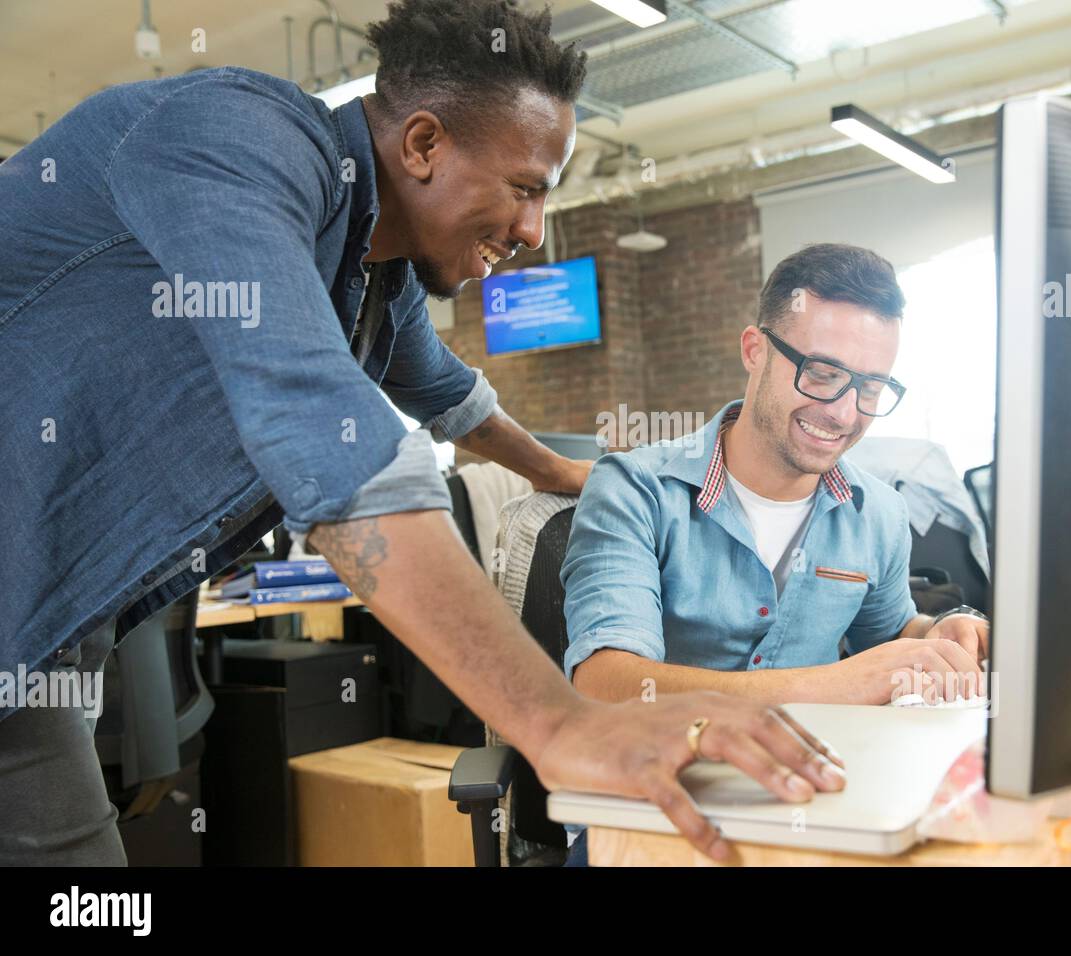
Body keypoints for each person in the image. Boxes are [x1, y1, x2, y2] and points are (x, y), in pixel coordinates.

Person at [0, 0, 843, 866]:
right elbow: (318, 425)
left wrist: (565, 471)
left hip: (45, 628)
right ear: (424, 145)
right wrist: (558, 725)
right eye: (525, 188)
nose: (532, 230)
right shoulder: (233, 138)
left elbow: (449, 396)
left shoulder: (376, 273)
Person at [562, 244, 989, 706]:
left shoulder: (880, 512)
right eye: (823, 373)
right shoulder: (635, 489)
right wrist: (831, 686)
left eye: (871, 388)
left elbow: (886, 636)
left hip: (833, 773)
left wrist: (936, 636)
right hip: (673, 770)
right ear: (755, 351)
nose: (845, 414)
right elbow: (606, 682)